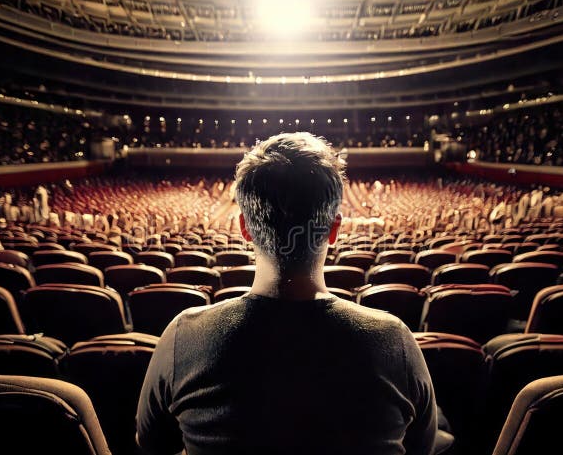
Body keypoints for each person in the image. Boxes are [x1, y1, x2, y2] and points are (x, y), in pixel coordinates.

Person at [136, 132, 438, 455]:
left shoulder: (183, 338)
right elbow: (423, 446)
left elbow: (152, 445)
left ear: (244, 227)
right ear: (334, 230)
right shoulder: (396, 341)